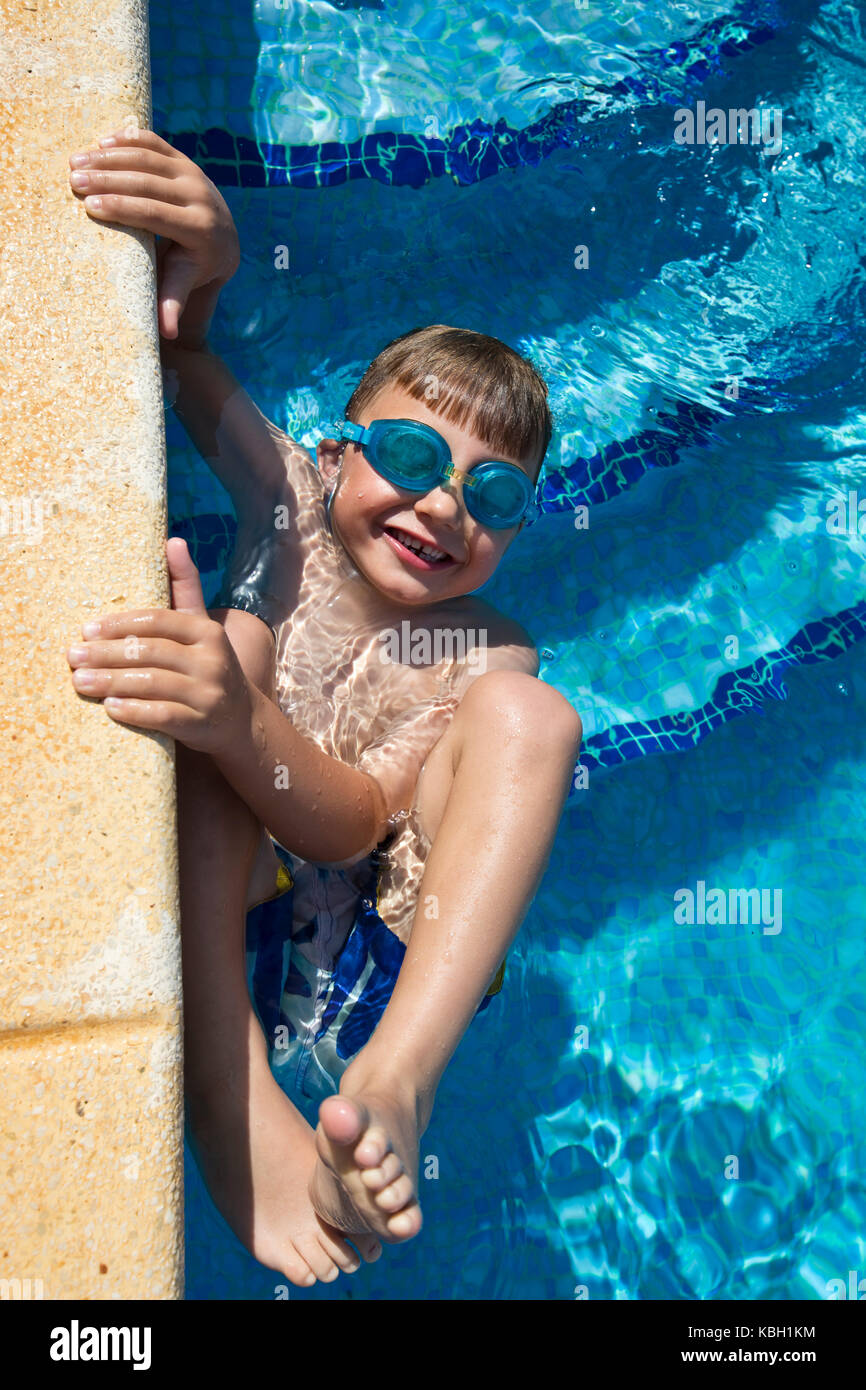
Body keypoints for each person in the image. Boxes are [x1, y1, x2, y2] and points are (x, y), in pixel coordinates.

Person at [65, 126, 583, 1287]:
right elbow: (176, 361)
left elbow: (351, 824)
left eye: (491, 493)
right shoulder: (283, 502)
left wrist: (236, 722)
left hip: (379, 962)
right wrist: (211, 258)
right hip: (243, 916)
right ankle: (226, 1082)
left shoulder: (479, 649)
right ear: (330, 451)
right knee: (231, 644)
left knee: (531, 720)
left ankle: (396, 1085)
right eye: (408, 451)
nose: (442, 505)